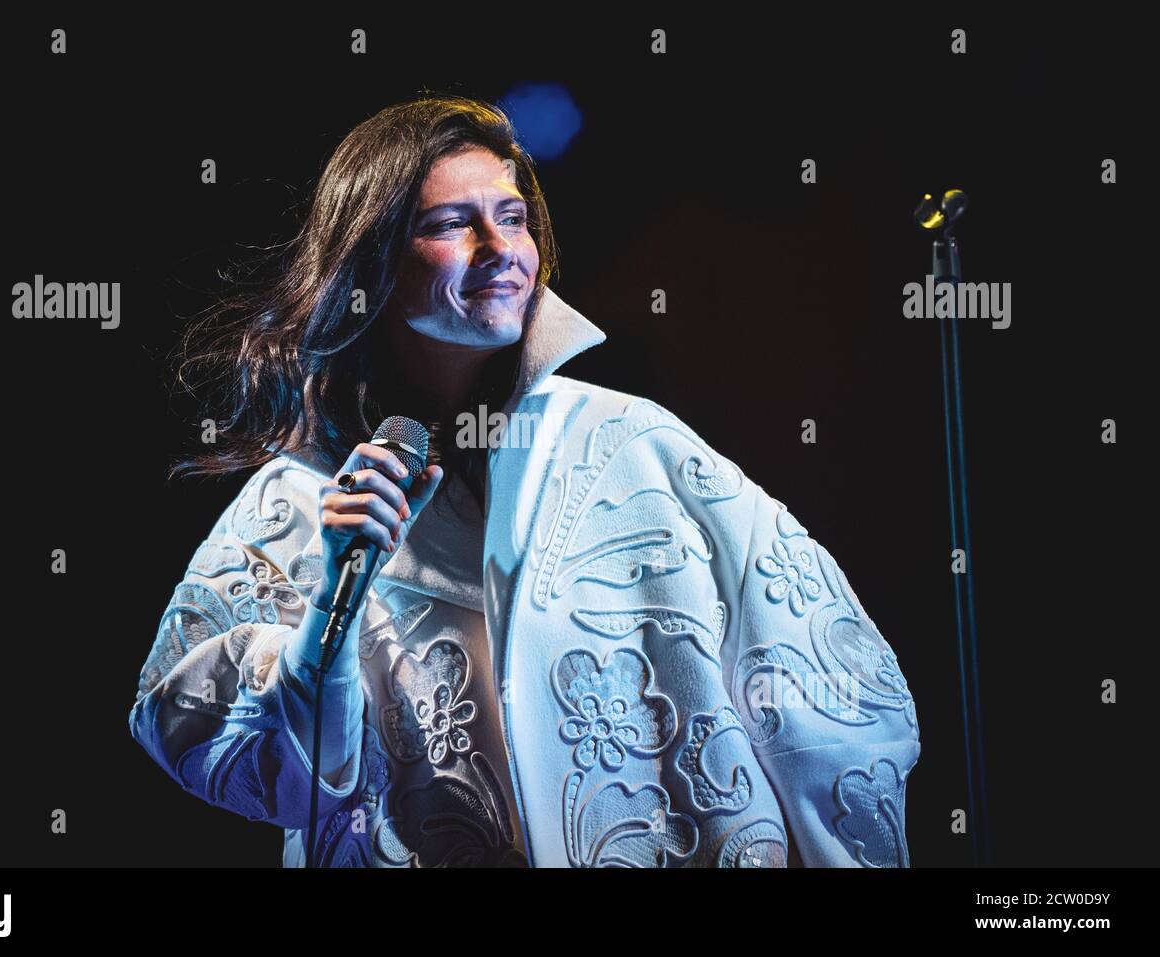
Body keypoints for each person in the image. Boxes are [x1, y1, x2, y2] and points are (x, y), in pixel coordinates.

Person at [128, 95, 921, 868]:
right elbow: (234, 758)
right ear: (367, 260)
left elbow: (838, 698)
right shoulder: (295, 502)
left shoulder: (636, 448)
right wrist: (331, 610)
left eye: (511, 217)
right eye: (449, 223)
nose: (499, 246)